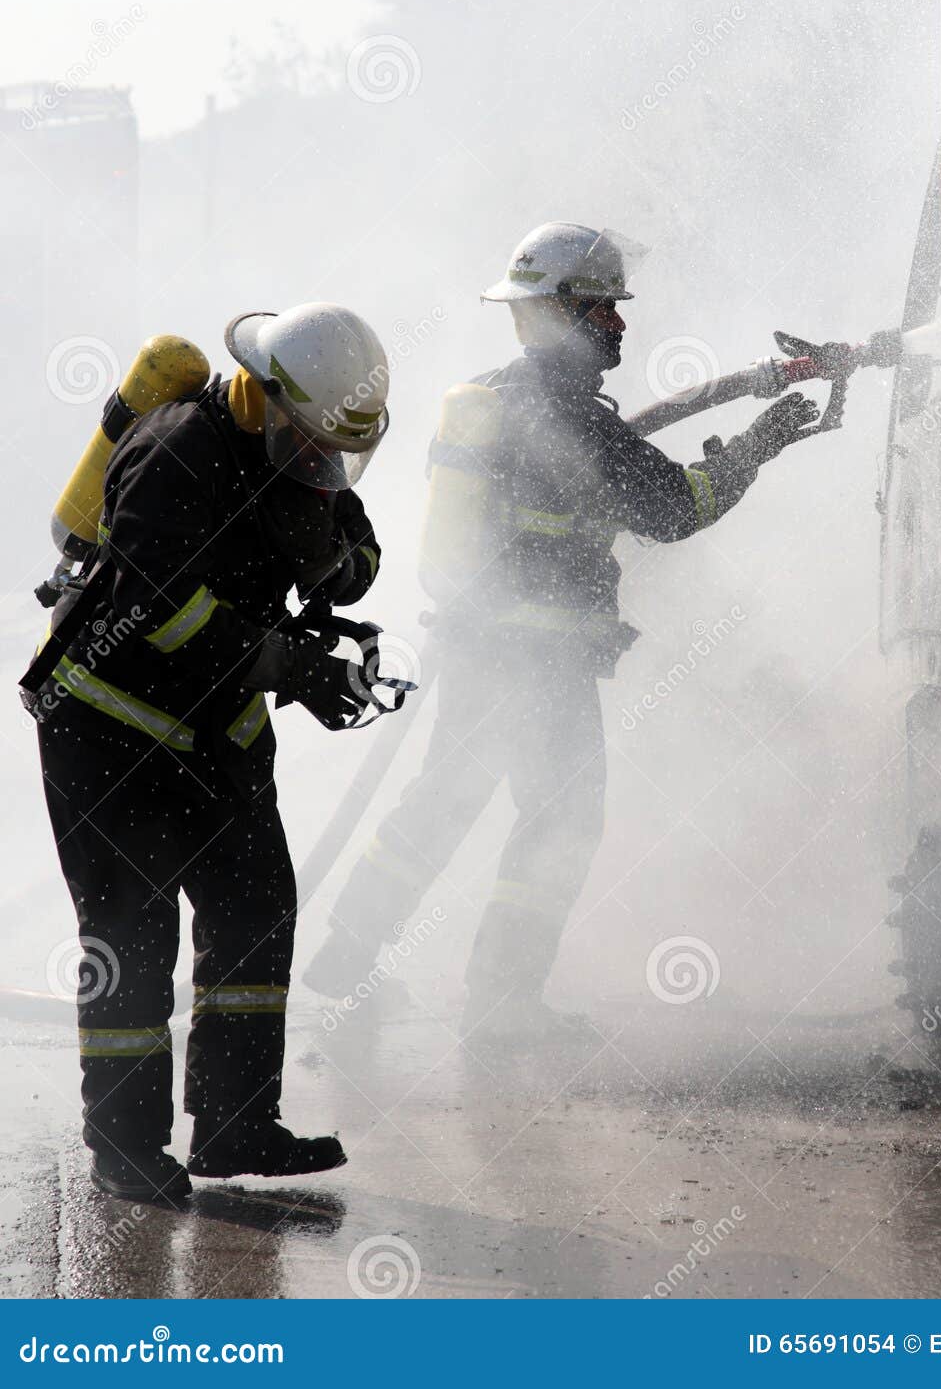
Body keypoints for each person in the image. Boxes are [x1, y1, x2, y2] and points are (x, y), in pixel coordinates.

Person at [305, 226, 820, 1045]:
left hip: (481, 649)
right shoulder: (568, 419)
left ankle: (345, 955)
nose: (618, 324)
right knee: (563, 820)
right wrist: (759, 447)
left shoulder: (500, 396)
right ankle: (503, 1003)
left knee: (439, 803)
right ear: (554, 315)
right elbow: (674, 509)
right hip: (540, 663)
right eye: (601, 307)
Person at [32, 302, 394, 1202]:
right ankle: (122, 1147)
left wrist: (349, 561)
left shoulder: (293, 440)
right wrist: (288, 665)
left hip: (212, 728)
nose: (321, 460)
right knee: (132, 932)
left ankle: (237, 1128)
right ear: (260, 393)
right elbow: (163, 609)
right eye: (310, 439)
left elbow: (341, 520)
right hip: (109, 727)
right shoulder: (172, 450)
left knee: (255, 905)